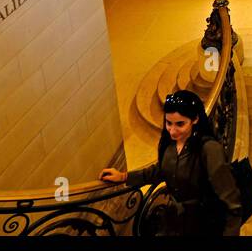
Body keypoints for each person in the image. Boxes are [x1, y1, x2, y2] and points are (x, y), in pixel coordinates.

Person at [99, 89, 244, 235]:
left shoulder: (209, 149)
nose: (172, 131)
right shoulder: (169, 144)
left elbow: (232, 204)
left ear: (195, 119)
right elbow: (161, 169)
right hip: (177, 219)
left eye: (180, 124)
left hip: (204, 222)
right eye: (169, 123)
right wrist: (124, 177)